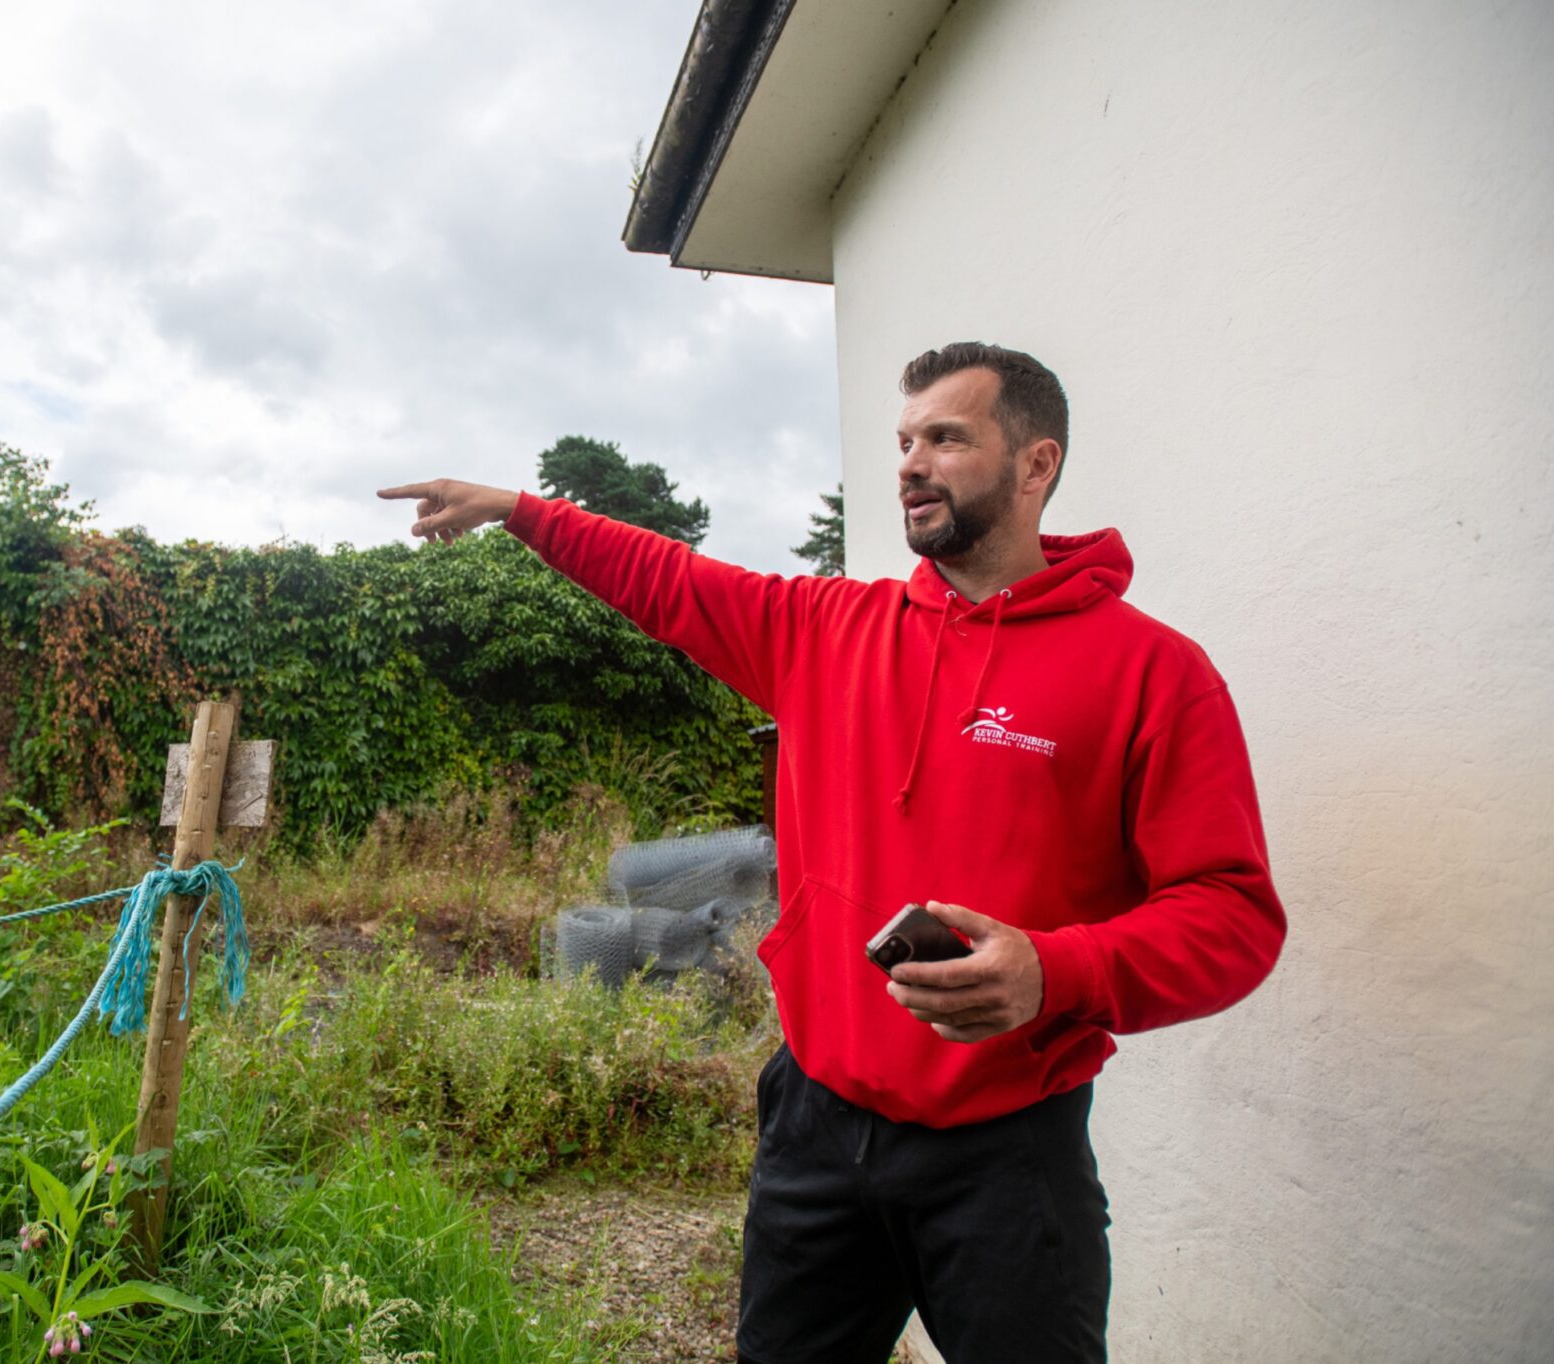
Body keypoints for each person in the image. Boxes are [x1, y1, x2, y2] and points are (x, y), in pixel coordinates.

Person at [378, 342, 1286, 1364]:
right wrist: (519, 508)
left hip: (1005, 1155)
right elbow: (668, 579)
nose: (910, 461)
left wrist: (1053, 969)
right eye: (903, 440)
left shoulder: (1152, 673)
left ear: (1035, 465)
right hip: (815, 1121)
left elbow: (1232, 915)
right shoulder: (823, 628)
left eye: (945, 437)